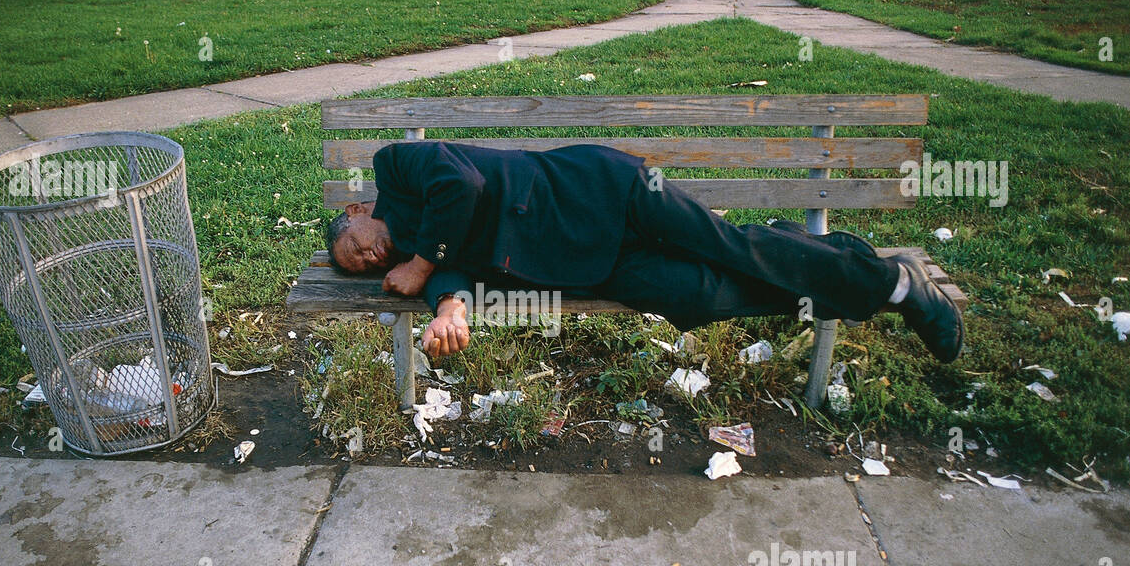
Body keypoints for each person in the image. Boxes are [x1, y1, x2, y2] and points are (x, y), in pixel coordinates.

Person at [327, 140, 963, 363]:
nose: (371, 260)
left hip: (607, 193)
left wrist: (419, 266)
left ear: (357, 211)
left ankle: (893, 284)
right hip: (586, 264)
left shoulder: (395, 169)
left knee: (732, 249)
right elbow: (457, 264)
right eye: (363, 268)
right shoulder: (414, 249)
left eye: (357, 249)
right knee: (698, 296)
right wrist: (449, 307)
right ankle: (826, 264)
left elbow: (460, 185)